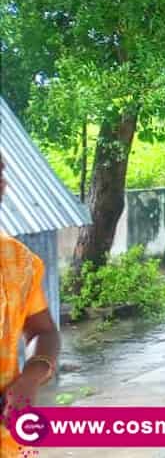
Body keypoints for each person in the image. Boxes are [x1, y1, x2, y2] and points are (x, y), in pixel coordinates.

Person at [0, 155, 62, 453]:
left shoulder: (17, 261)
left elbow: (42, 331)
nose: (3, 182)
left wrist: (30, 378)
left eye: (1, 173)